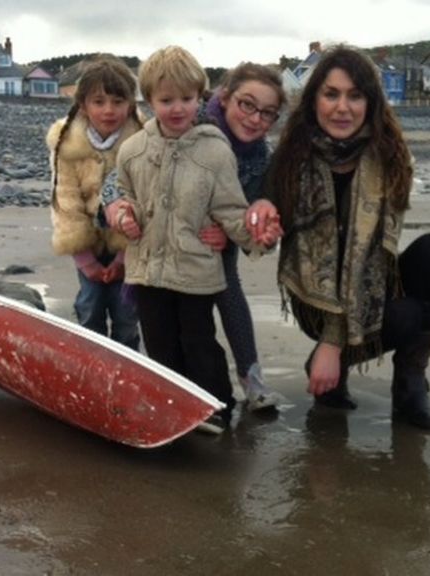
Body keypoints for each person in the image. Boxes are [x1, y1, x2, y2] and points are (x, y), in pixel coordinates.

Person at [247, 46, 430, 430]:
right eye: (331, 94)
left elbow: (371, 259)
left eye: (355, 95)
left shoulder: (390, 157)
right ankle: (333, 364)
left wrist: (333, 347)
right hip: (315, 298)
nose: (342, 107)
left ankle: (410, 384)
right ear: (314, 101)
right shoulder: (291, 157)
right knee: (405, 315)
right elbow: (261, 223)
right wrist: (261, 216)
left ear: (370, 103)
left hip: (369, 283)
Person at [107, 46, 280, 433]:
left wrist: (257, 234)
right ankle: (173, 404)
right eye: (166, 100)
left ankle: (216, 404)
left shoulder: (215, 151)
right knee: (160, 343)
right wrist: (122, 213)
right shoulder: (133, 149)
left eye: (186, 98)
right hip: (148, 270)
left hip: (197, 270)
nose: (177, 108)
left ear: (200, 97)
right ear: (149, 99)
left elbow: (234, 208)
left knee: (199, 341)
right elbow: (123, 192)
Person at [46, 56, 143, 349]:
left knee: (127, 312)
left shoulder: (142, 141)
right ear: (84, 104)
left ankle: (128, 367)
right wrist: (84, 259)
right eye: (99, 101)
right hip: (86, 246)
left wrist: (124, 258)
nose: (109, 110)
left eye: (117, 100)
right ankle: (92, 363)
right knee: (89, 307)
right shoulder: (66, 142)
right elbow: (65, 202)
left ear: (131, 103)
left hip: (130, 246)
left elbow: (145, 200)